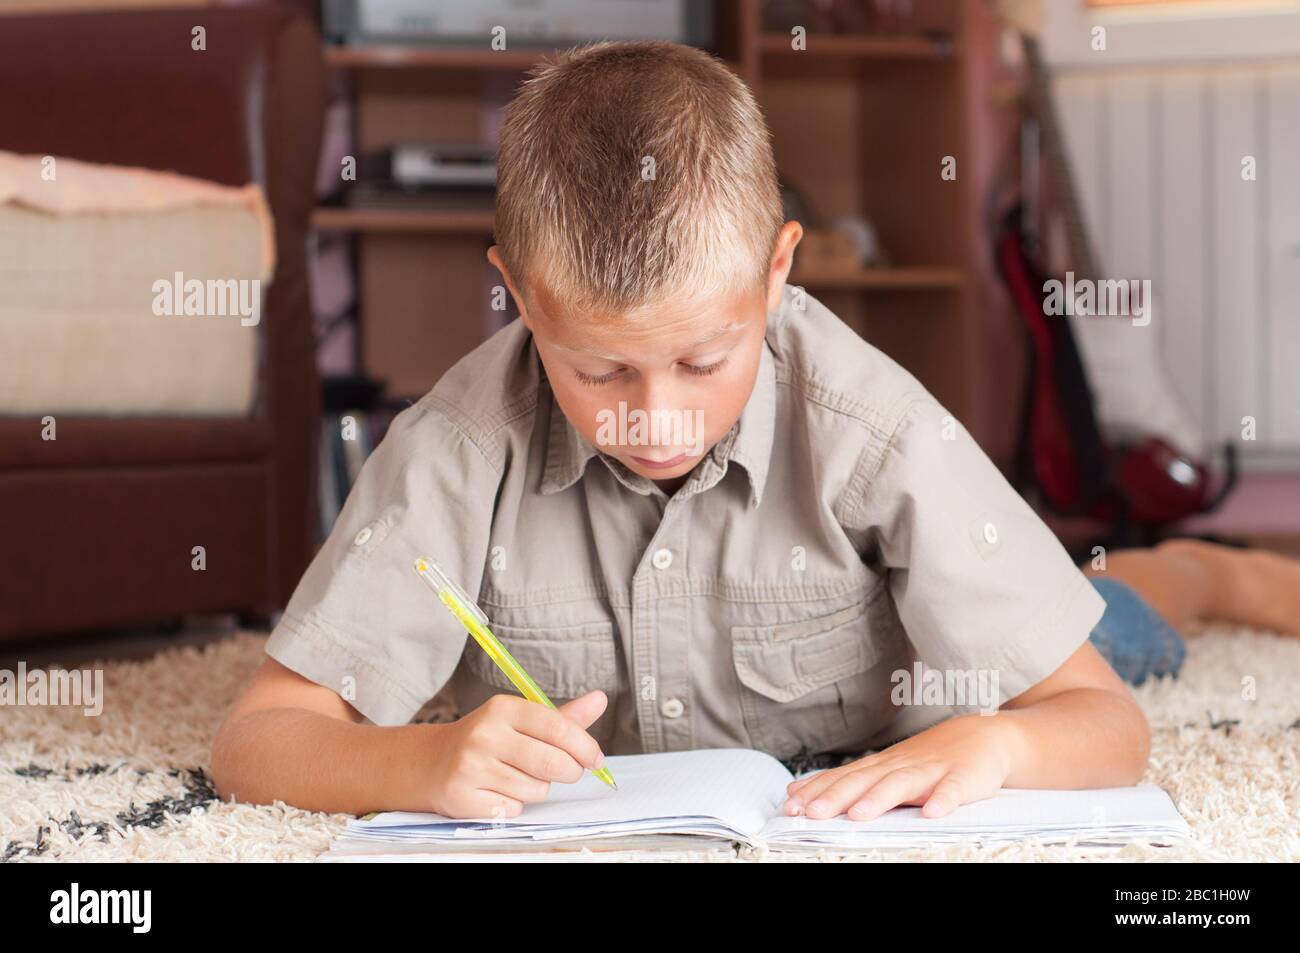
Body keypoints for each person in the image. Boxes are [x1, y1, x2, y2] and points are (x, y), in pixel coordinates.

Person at [211, 41, 1292, 824]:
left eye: (702, 360)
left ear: (777, 273)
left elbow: (1103, 722)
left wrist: (1001, 736)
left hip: (935, 665)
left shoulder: (873, 426)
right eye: (599, 369)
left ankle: (1198, 574)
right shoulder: (454, 444)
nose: (655, 413)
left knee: (1115, 624)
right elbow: (257, 736)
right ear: (518, 296)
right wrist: (413, 764)